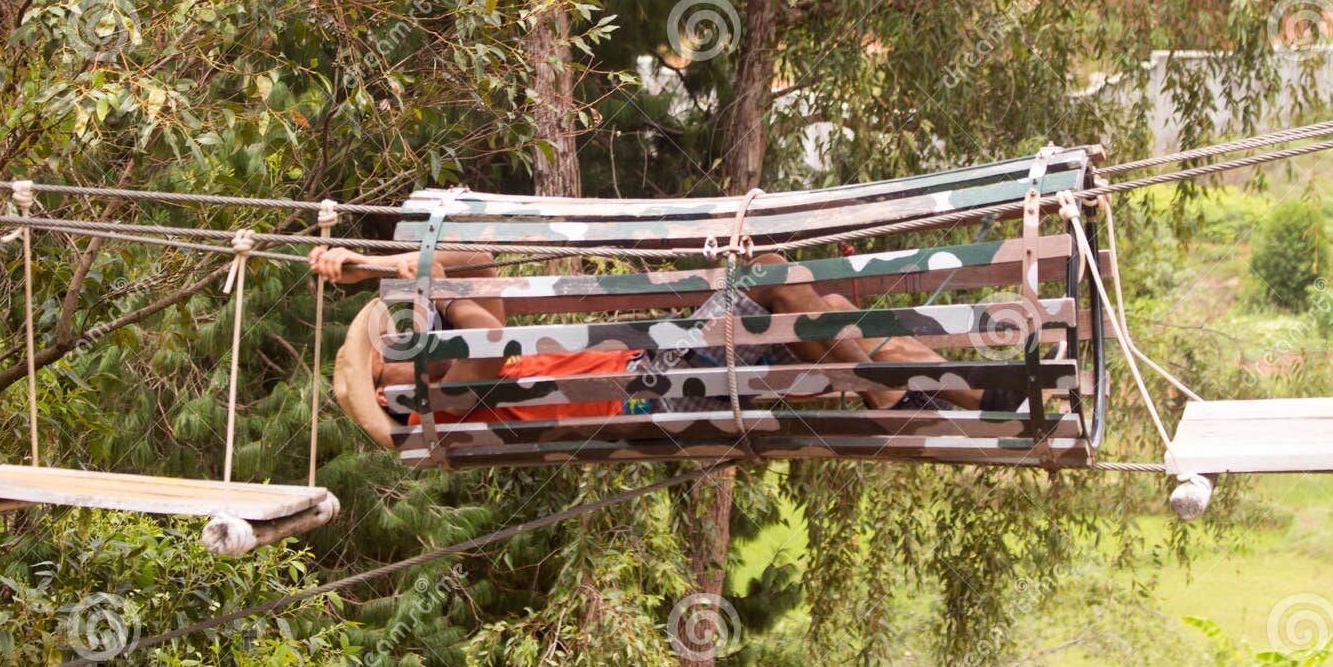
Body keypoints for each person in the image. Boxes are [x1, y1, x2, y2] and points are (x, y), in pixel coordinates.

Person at [313, 245, 981, 450]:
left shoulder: (468, 369)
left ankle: (987, 395)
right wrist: (425, 287)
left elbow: (479, 262)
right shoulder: (451, 401)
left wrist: (376, 265)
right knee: (778, 275)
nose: (409, 329)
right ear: (387, 389)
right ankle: (885, 382)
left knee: (829, 312)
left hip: (660, 375)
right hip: (652, 388)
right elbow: (482, 332)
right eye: (391, 343)